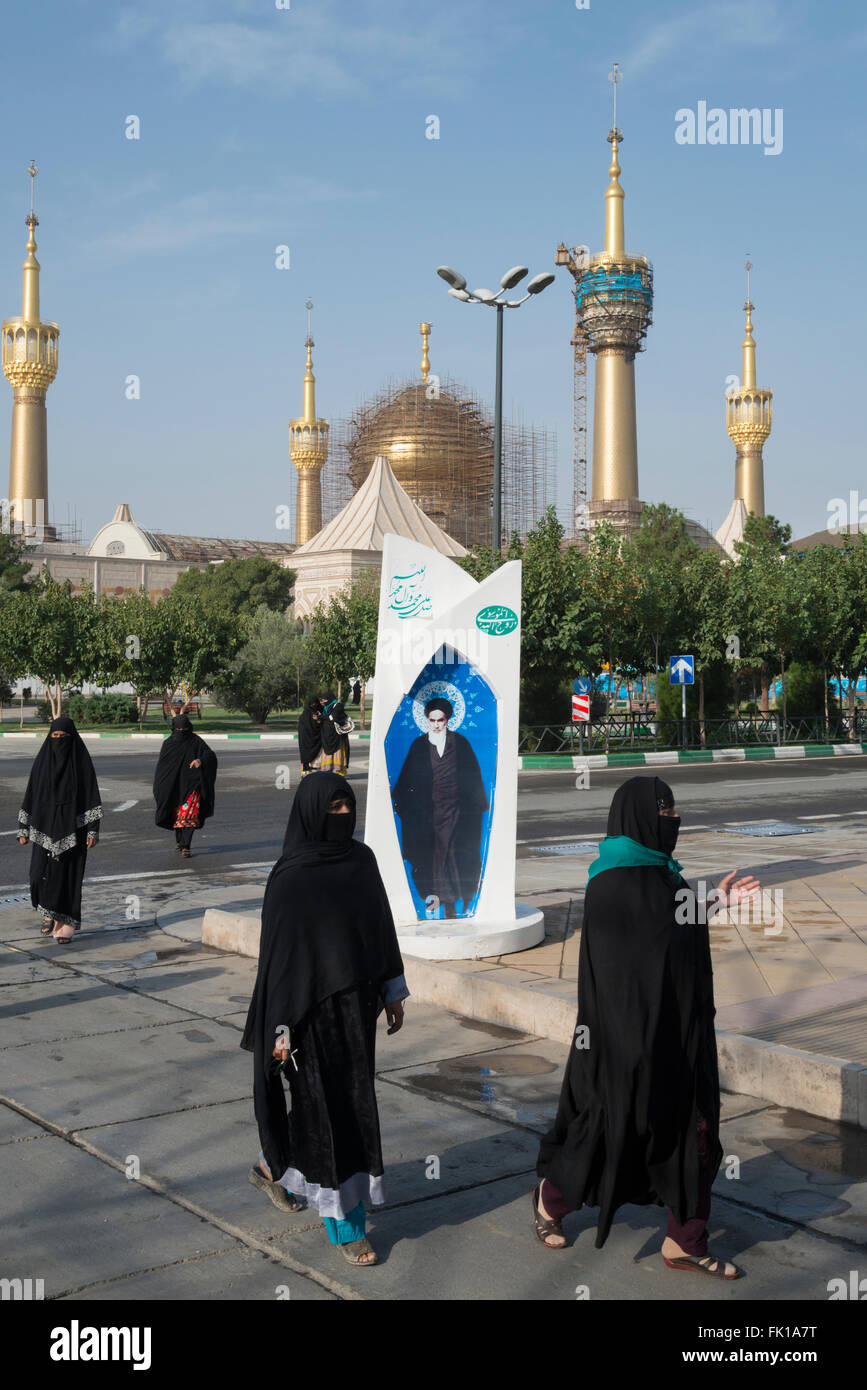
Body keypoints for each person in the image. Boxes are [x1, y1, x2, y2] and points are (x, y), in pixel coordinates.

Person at [532, 776, 760, 1279]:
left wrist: (715, 901)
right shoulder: (609, 883)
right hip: (619, 1042)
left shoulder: (667, 879)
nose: (672, 821)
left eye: (675, 811)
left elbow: (672, 928)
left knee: (694, 1130)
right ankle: (551, 1201)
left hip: (677, 1038)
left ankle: (686, 1240)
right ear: (638, 817)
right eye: (664, 812)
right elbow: (620, 968)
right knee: (608, 1129)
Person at [241, 772, 408, 1267]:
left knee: (348, 1104)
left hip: (357, 1011)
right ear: (312, 811)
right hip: (306, 1021)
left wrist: (393, 991)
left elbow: (380, 927)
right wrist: (279, 1030)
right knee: (329, 1112)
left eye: (347, 807)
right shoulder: (290, 876)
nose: (342, 817)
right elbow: (279, 964)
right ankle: (347, 1227)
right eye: (332, 808)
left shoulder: (361, 861)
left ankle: (272, 1167)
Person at [391, 697, 488, 918]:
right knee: (431, 856)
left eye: (440, 720)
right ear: (427, 720)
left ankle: (453, 901)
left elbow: (472, 777)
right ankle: (434, 899)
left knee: (453, 854)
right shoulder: (418, 745)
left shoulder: (460, 743)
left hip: (456, 811)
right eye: (432, 720)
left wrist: (472, 807)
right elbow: (407, 781)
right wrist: (410, 809)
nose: (436, 724)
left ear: (448, 720)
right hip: (428, 814)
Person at [16, 715, 103, 942]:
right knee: (37, 876)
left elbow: (91, 796)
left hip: (73, 832)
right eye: (54, 736)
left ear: (72, 738)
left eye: (64, 737)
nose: (59, 740)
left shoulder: (81, 762)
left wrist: (93, 830)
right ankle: (46, 911)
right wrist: (22, 828)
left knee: (66, 880)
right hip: (43, 830)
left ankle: (63, 926)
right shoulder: (42, 762)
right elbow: (31, 794)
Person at [152, 714, 218, 857]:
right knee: (176, 815)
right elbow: (162, 770)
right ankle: (180, 841)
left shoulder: (196, 741)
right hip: (173, 787)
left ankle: (186, 846)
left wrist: (200, 760)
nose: (182, 731)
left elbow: (210, 755)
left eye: (185, 728)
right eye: (179, 728)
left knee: (188, 814)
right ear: (174, 729)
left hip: (192, 785)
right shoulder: (168, 744)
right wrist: (161, 788)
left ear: (189, 727)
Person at [319, 693, 352, 775]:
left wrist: (321, 717)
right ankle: (328, 771)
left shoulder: (338, 705)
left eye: (324, 700)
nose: (323, 701)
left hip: (337, 736)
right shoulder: (325, 708)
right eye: (322, 700)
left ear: (329, 699)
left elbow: (333, 717)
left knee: (338, 753)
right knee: (328, 755)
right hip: (327, 736)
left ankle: (341, 773)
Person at [297, 697, 323, 776]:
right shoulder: (306, 714)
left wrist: (319, 718)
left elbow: (319, 725)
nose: (313, 706)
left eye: (315, 704)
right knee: (305, 755)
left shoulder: (319, 711)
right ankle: (305, 772)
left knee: (317, 758)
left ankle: (316, 773)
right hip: (305, 739)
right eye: (312, 704)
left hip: (316, 740)